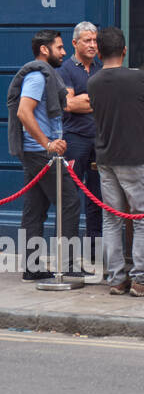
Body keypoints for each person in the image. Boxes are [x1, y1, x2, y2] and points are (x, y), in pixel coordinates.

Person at [86, 26, 144, 297]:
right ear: (124, 50)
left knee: (112, 220)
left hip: (106, 157)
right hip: (134, 156)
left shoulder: (93, 82)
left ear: (98, 52)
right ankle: (141, 280)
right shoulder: (138, 78)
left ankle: (117, 279)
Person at [7, 30, 73, 281]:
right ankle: (67, 266)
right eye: (60, 47)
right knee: (69, 202)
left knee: (35, 209)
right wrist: (48, 143)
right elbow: (25, 112)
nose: (64, 52)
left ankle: (32, 268)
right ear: (44, 50)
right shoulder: (37, 76)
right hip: (40, 154)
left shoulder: (44, 75)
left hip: (37, 153)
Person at [58, 21, 101, 245]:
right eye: (88, 41)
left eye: (95, 40)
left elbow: (105, 102)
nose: (93, 45)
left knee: (97, 197)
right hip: (75, 140)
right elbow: (68, 105)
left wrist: (84, 99)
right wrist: (96, 100)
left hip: (99, 140)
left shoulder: (99, 68)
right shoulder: (66, 69)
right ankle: (69, 254)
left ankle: (94, 251)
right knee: (71, 197)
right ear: (75, 43)